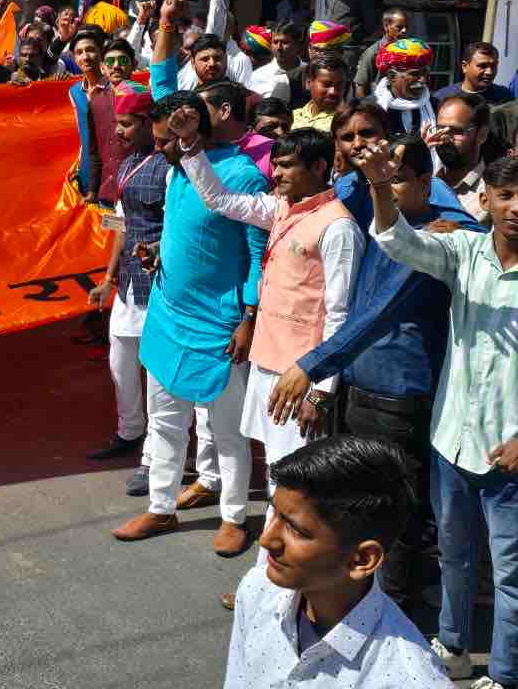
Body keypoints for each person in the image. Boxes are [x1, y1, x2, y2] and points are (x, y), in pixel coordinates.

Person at [270, 136, 482, 610]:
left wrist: (311, 366)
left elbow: (375, 315)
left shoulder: (434, 237)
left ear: (427, 185)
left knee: (394, 519)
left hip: (397, 400)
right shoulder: (377, 218)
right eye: (375, 178)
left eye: (397, 179)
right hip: (357, 389)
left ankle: (391, 618)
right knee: (352, 510)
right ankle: (352, 604)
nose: (382, 187)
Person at [351, 143, 518, 689]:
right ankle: (451, 643)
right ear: (487, 201)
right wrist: (379, 185)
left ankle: (503, 672)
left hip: (508, 453)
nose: (515, 206)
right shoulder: (464, 251)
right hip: (452, 437)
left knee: (510, 573)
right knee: (453, 553)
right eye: (506, 195)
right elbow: (397, 241)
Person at [171, 115, 362, 544]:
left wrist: (321, 389)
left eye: (288, 165)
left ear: (318, 167)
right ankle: (272, 575)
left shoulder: (338, 227)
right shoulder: (280, 210)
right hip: (267, 363)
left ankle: (283, 579)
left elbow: (339, 315)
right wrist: (190, 148)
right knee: (278, 469)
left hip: (300, 375)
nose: (275, 173)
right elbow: (220, 200)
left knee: (293, 479)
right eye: (275, 164)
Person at [112, 88, 267, 557]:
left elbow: (257, 257)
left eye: (166, 140)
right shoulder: (178, 170)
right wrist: (159, 252)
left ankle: (234, 517)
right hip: (167, 315)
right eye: (158, 140)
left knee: (226, 430)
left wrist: (248, 318)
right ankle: (162, 508)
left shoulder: (242, 175)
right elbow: (186, 232)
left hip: (218, 325)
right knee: (164, 421)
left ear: (191, 133)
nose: (159, 149)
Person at [224, 436, 453, 689]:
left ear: (362, 560)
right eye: (274, 513)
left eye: (296, 529)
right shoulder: (257, 589)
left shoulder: (410, 678)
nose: (266, 539)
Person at [86, 82, 168, 498]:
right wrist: (106, 279)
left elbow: (176, 226)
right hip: (127, 285)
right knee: (121, 363)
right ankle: (129, 431)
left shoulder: (168, 167)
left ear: (148, 124)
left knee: (155, 373)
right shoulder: (127, 162)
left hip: (159, 283)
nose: (117, 131)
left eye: (125, 124)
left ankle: (156, 456)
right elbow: (119, 227)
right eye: (116, 124)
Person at [67, 30, 114, 204]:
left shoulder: (116, 88)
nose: (85, 56)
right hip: (87, 173)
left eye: (90, 50)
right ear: (74, 58)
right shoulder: (74, 92)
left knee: (114, 227)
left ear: (101, 53)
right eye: (79, 52)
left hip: (114, 175)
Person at [431, 93, 491, 223]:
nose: (445, 138)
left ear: (482, 134)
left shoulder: (494, 192)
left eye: (456, 131)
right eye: (440, 129)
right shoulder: (424, 183)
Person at [372, 38, 437, 138]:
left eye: (425, 74)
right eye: (415, 74)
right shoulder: (372, 110)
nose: (423, 80)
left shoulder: (436, 105)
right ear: (391, 77)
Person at [434, 41, 513, 106]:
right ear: (465, 67)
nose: (489, 72)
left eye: (494, 66)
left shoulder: (505, 97)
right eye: (482, 66)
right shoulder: (443, 98)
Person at [354, 8, 409, 96]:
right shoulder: (372, 53)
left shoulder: (408, 51)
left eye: (406, 27)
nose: (404, 31)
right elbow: (361, 85)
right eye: (399, 27)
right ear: (386, 26)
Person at [292, 55, 350, 133]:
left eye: (339, 85)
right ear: (308, 83)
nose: (333, 92)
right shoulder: (293, 116)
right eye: (327, 84)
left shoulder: (348, 121)